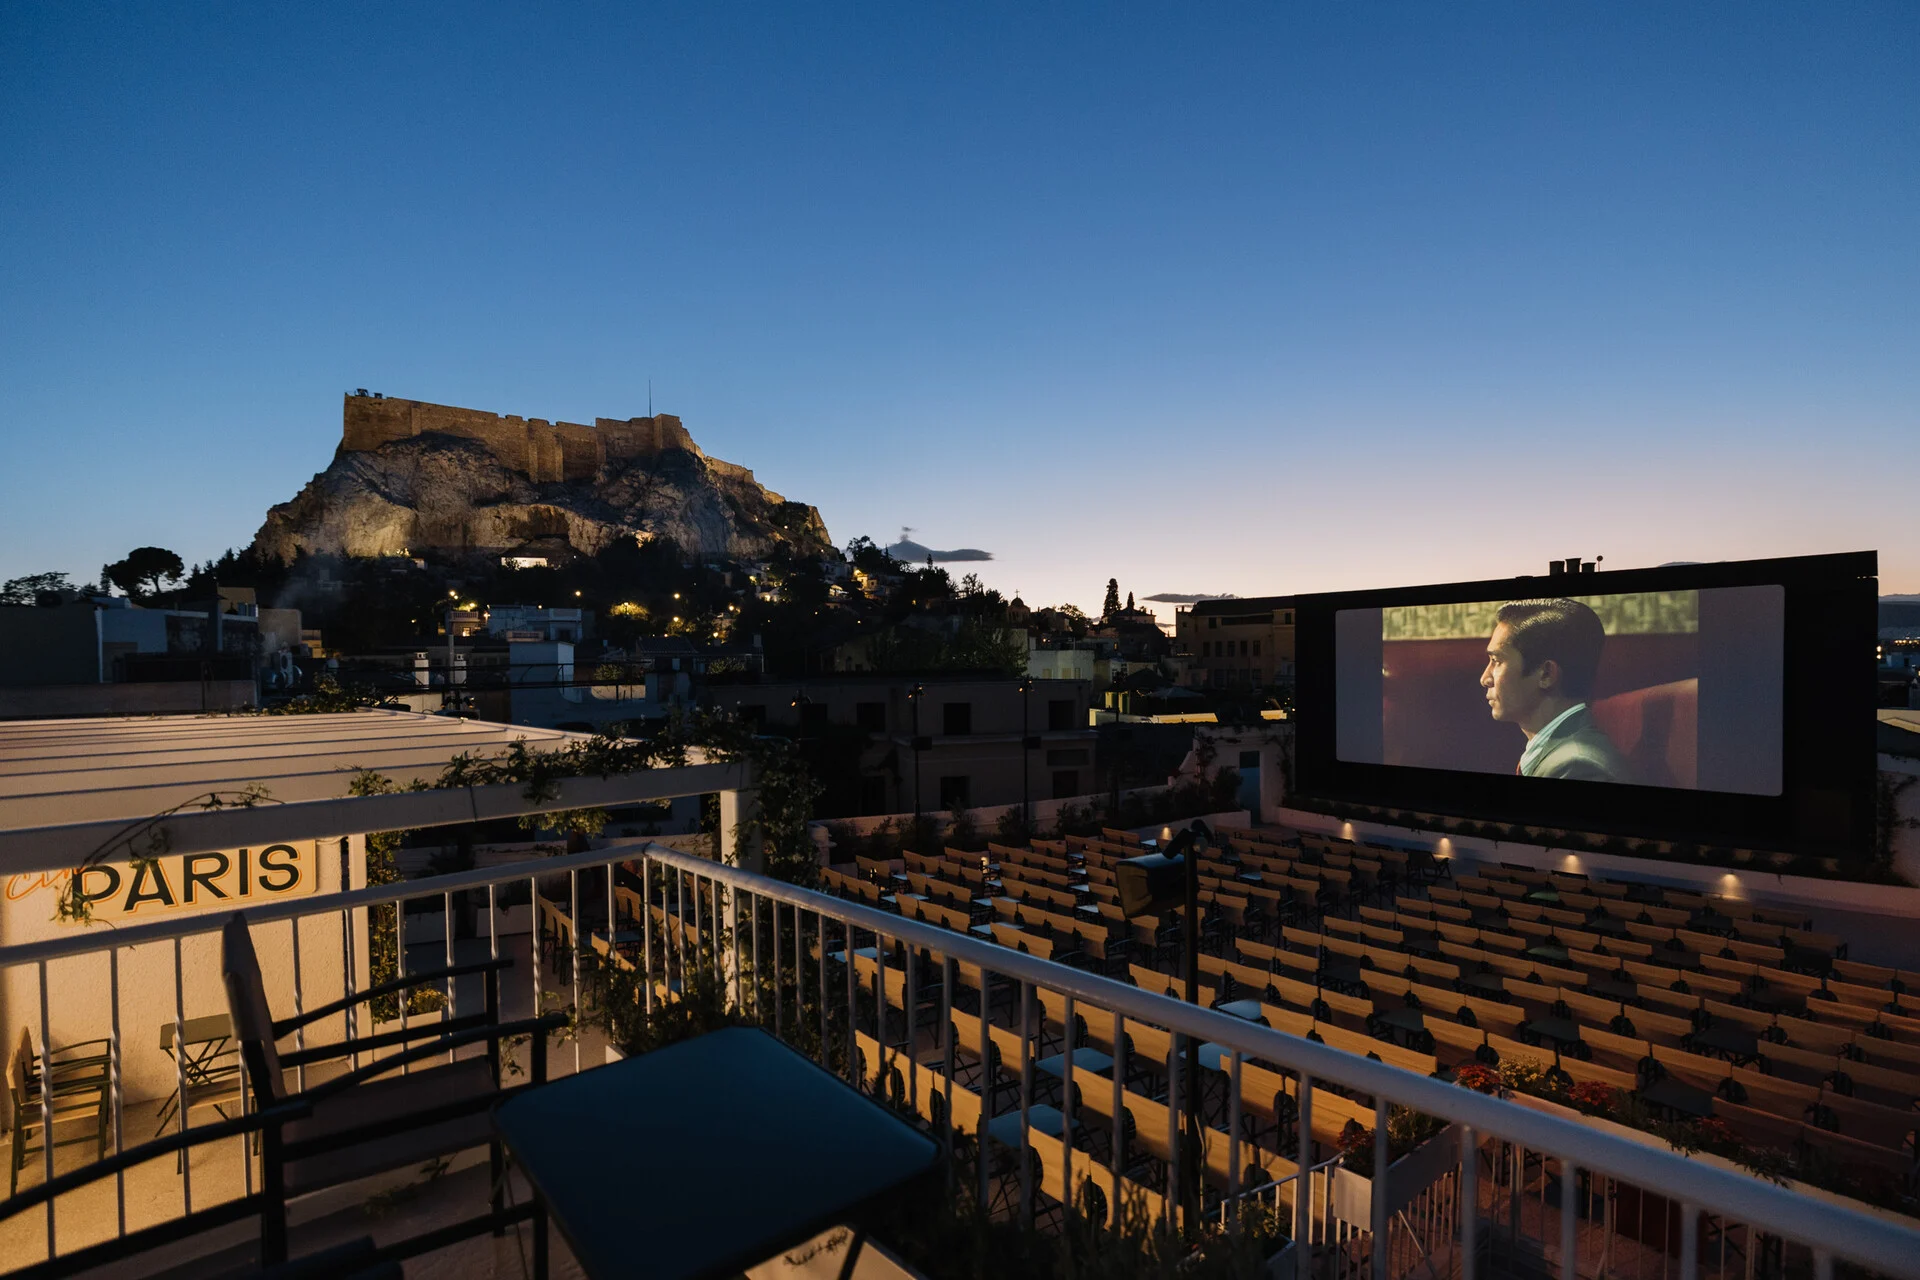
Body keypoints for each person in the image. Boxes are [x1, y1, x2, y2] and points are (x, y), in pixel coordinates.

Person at [1479, 598, 1631, 783]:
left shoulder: (1578, 767)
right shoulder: (1561, 753)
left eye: (1497, 661)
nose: (1485, 679)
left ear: (1546, 674)